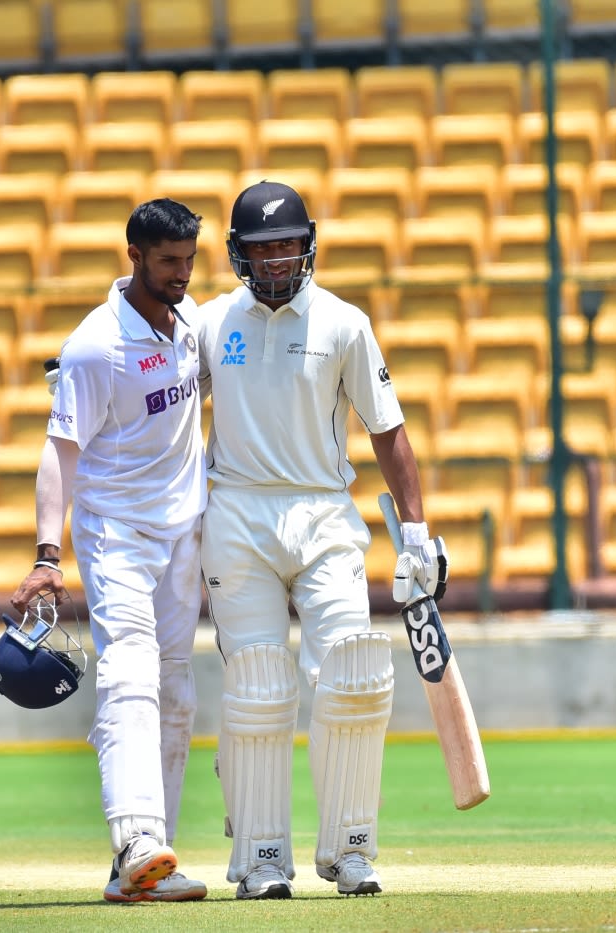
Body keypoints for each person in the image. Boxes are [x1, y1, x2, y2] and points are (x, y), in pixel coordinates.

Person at [195, 180, 449, 900]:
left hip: (324, 511)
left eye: (286, 245)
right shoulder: (212, 324)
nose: (277, 260)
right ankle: (262, 854)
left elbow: (388, 429)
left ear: (307, 244)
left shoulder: (344, 322)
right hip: (238, 513)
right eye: (262, 249)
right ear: (238, 255)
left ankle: (351, 847)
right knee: (257, 687)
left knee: (355, 673)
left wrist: (418, 532)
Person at [11, 198, 209, 904]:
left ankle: (147, 868)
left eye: (189, 260)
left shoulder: (190, 327)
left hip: (183, 535)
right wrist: (45, 555)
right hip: (117, 535)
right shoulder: (95, 345)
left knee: (177, 693)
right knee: (129, 672)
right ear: (134, 256)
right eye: (167, 262)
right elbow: (59, 452)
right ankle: (136, 841)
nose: (181, 274)